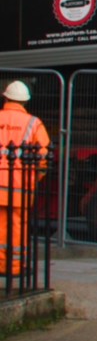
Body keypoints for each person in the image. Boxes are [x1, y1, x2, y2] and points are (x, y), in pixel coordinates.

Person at [0, 81, 50, 278]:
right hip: (19, 187)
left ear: (5, 97)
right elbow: (45, 156)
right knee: (17, 227)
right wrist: (35, 176)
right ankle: (14, 268)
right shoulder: (33, 123)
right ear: (25, 101)